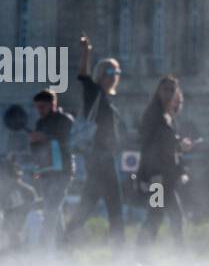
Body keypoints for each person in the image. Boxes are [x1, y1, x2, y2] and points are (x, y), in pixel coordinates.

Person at [65, 36, 126, 245]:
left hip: (101, 159)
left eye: (117, 73)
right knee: (114, 205)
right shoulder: (95, 93)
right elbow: (82, 77)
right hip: (101, 160)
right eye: (110, 73)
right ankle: (121, 253)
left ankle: (63, 242)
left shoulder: (106, 99)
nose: (114, 77)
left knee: (88, 204)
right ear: (101, 75)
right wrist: (86, 52)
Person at [136, 76, 192, 248]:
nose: (168, 93)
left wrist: (180, 164)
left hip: (166, 177)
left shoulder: (168, 116)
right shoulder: (154, 115)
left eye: (172, 90)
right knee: (157, 216)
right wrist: (178, 145)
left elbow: (168, 148)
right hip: (157, 177)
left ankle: (178, 257)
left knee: (169, 216)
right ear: (158, 92)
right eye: (165, 89)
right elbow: (153, 144)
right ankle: (141, 255)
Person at [28, 89, 74, 249]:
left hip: (62, 172)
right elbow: (36, 150)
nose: (39, 111)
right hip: (46, 172)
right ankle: (63, 248)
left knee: (51, 209)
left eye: (42, 107)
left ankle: (43, 246)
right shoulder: (40, 123)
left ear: (52, 104)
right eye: (37, 107)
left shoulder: (65, 120)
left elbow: (68, 140)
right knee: (55, 210)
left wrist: (45, 137)